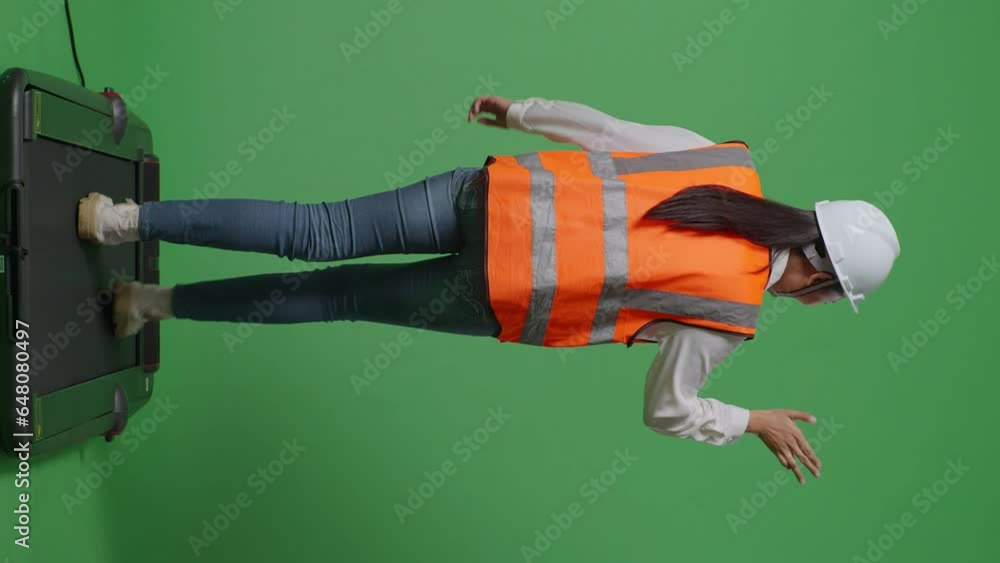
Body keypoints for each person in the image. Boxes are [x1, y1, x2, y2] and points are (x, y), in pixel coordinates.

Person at [76, 95, 899, 484]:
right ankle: (150, 305)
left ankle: (117, 219)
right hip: (496, 294)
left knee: (313, 228)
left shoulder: (726, 167)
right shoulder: (727, 319)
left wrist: (522, 111)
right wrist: (748, 419)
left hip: (490, 195)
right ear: (821, 276)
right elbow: (665, 410)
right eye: (832, 295)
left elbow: (610, 132)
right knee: (336, 295)